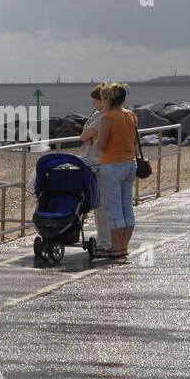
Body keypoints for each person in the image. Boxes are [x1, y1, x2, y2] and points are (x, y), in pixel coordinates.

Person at [94, 81, 138, 260]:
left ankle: (115, 247)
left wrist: (95, 140)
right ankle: (124, 247)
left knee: (115, 208)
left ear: (107, 99)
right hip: (130, 163)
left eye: (103, 99)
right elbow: (134, 142)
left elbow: (102, 144)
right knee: (127, 205)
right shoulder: (131, 115)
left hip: (112, 164)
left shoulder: (108, 117)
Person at [78, 83, 112, 256]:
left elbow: (84, 135)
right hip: (94, 160)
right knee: (102, 203)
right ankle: (106, 239)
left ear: (103, 100)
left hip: (97, 162)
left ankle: (105, 241)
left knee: (102, 203)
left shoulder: (103, 116)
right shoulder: (99, 114)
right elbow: (87, 135)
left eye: (95, 100)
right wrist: (89, 137)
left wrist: (89, 137)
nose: (93, 104)